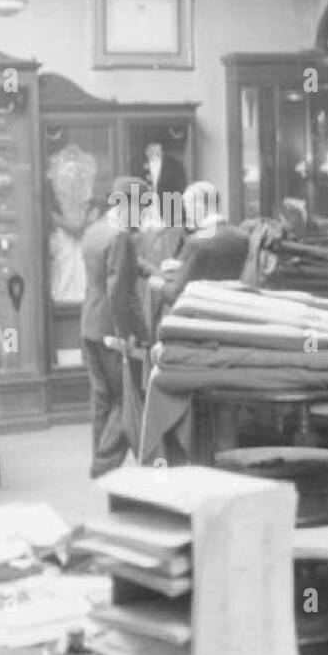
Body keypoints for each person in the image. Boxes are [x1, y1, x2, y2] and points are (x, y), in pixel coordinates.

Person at [80, 177, 148, 478]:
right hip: (113, 329)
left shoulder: (95, 230)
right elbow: (120, 293)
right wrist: (137, 335)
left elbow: (114, 270)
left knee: (101, 398)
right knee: (125, 398)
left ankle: (100, 457)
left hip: (91, 323)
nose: (143, 215)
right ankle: (105, 466)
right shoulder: (120, 237)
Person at [154, 181, 251, 312]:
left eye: (187, 207)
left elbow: (175, 295)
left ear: (198, 206)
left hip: (200, 316)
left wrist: (158, 283)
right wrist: (182, 266)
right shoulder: (243, 237)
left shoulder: (196, 242)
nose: (186, 213)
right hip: (230, 310)